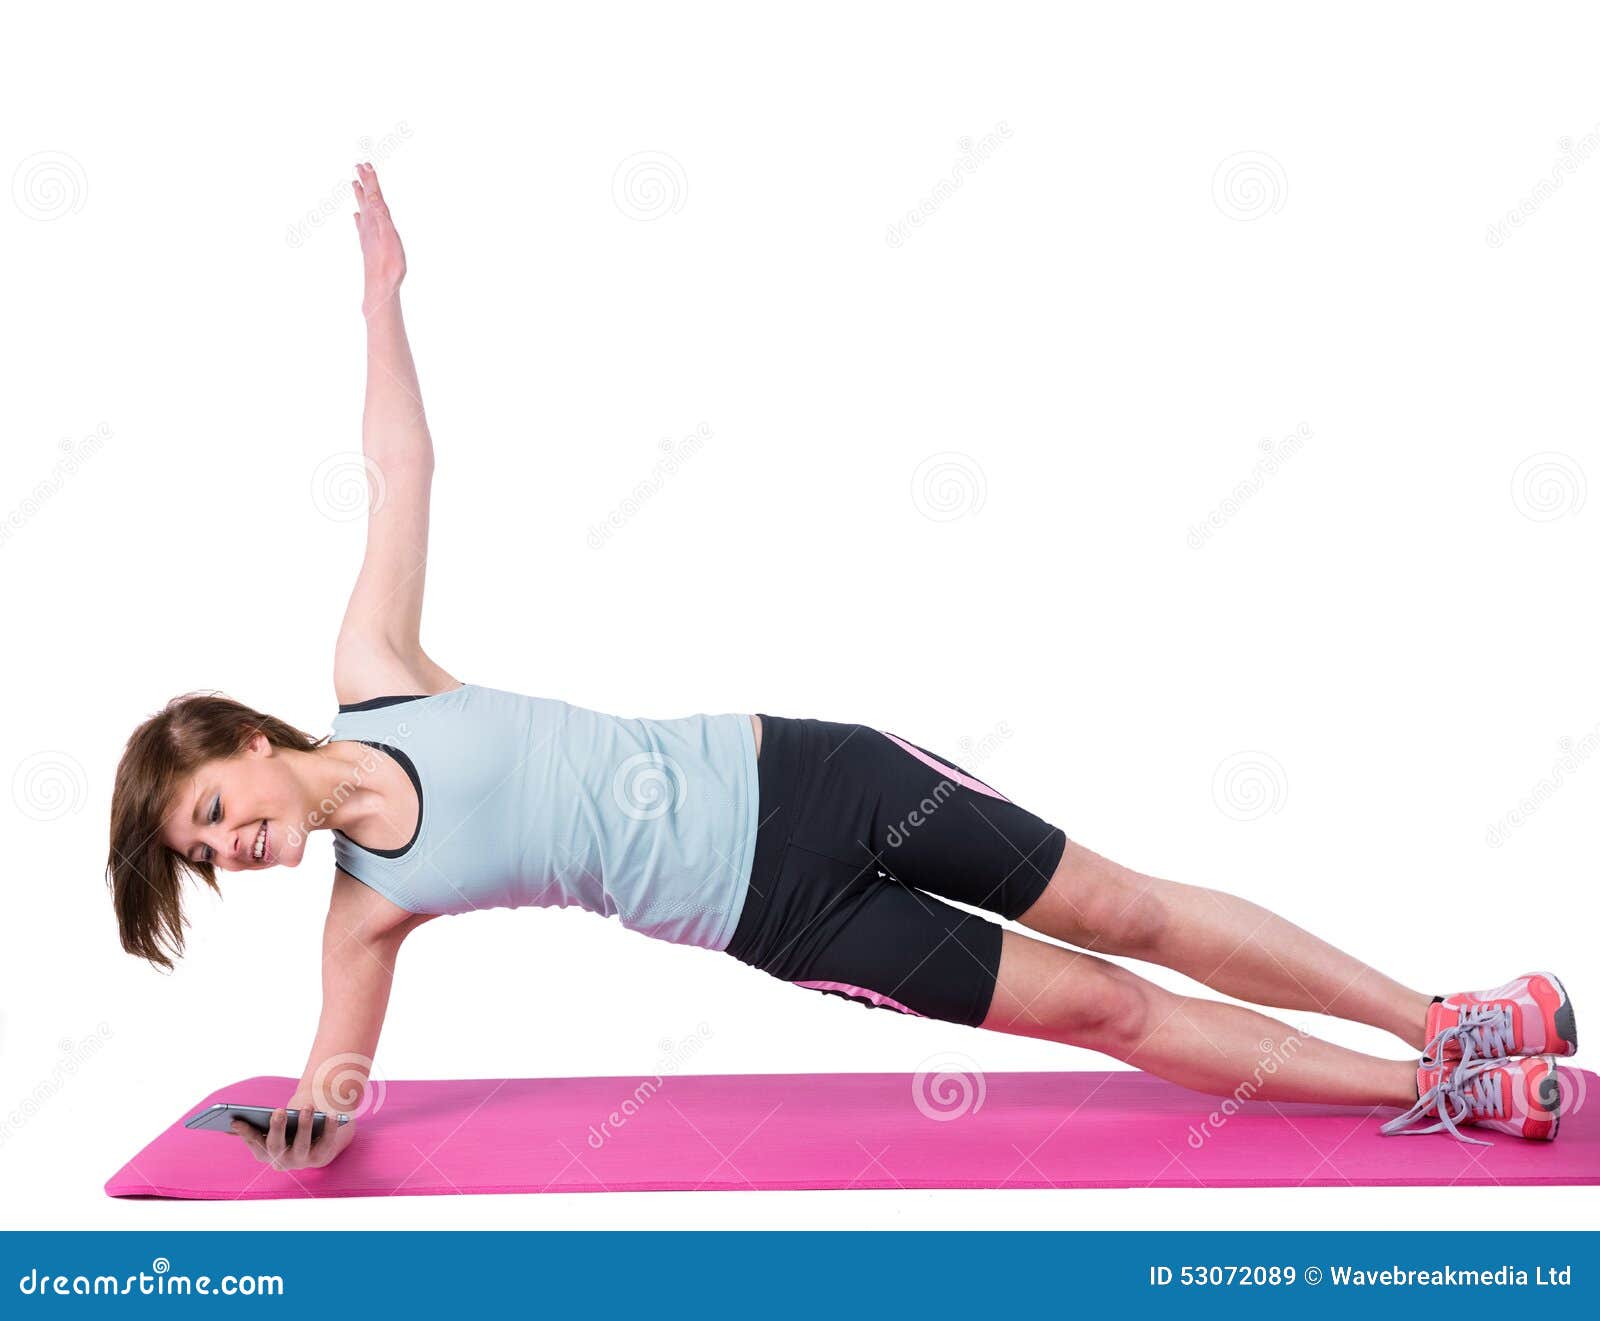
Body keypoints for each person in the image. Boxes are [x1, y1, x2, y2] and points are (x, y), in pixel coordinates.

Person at [105, 165, 1577, 1174]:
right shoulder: (369, 915)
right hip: (789, 913)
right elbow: (334, 1086)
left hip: (815, 774)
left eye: (213, 809)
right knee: (1105, 1011)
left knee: (1127, 900)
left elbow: (400, 465)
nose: (236, 847)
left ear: (239, 734)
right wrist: (309, 1128)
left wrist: (380, 302)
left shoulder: (377, 669)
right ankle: (1429, 1089)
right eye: (208, 855)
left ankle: (1437, 1014)